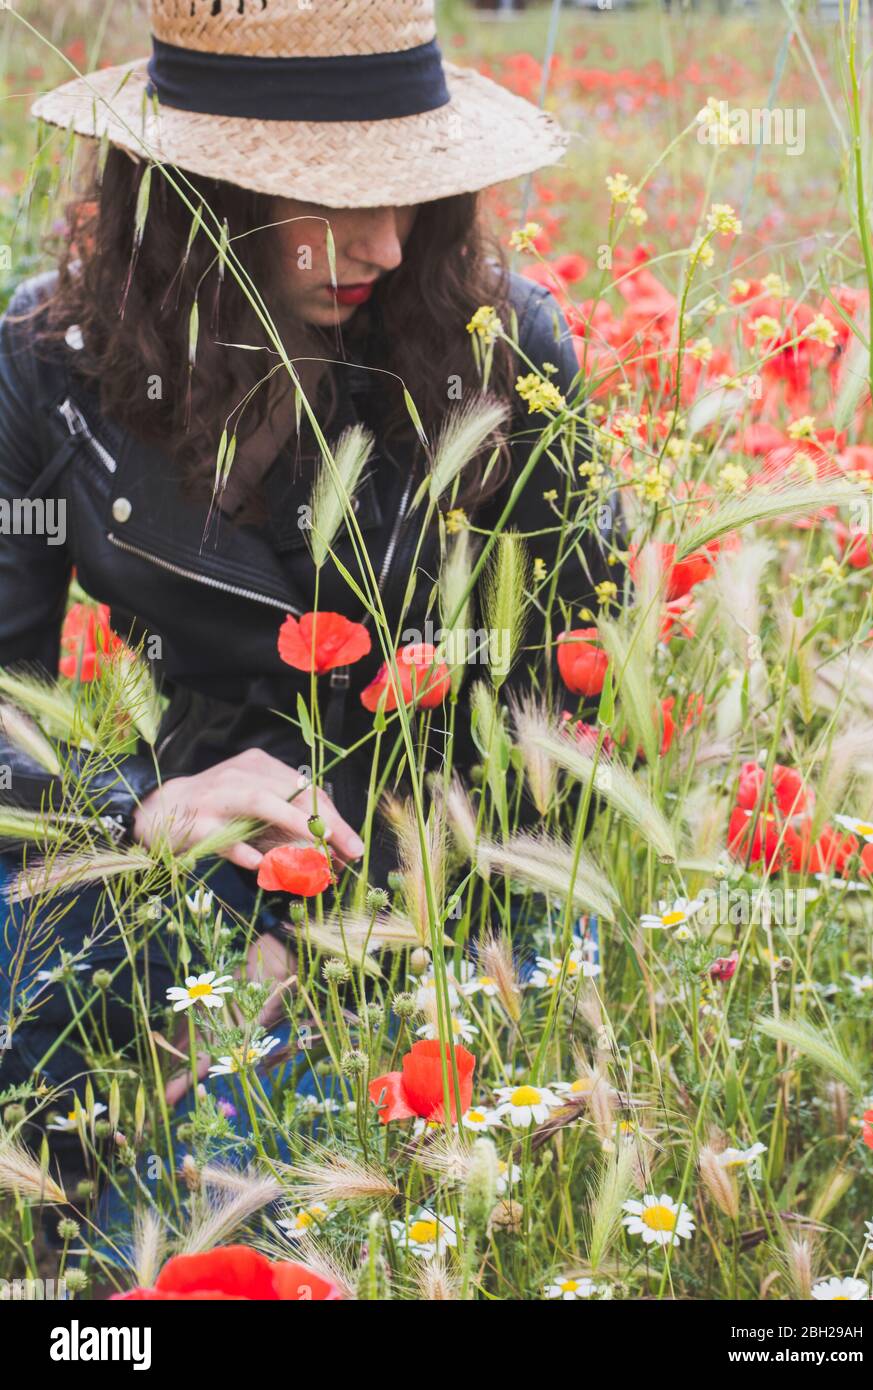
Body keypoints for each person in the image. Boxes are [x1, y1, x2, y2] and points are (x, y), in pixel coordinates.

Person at [0, 0, 614, 1098]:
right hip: (187, 855)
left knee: (247, 1168)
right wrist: (131, 809)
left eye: (408, 193)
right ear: (203, 196)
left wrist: (331, 933)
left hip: (458, 888)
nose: (386, 244)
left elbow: (562, 710)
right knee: (65, 1140)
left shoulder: (506, 350)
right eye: (334, 197)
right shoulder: (52, 367)